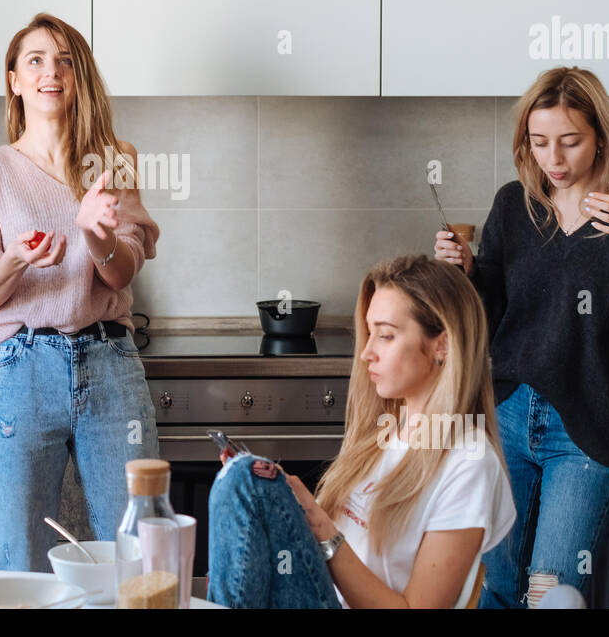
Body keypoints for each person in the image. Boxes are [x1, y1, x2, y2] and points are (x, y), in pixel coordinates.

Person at [433, 66, 609, 609]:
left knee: (550, 593)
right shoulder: (515, 204)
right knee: (499, 588)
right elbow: (489, 318)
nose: (553, 160)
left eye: (570, 142)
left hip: (590, 428)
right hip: (507, 414)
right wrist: (464, 273)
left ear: (600, 136)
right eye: (539, 143)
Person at [0, 12, 161, 572]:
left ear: (81, 75)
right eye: (36, 60)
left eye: (66, 60)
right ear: (15, 80)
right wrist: (17, 260)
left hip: (110, 363)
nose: (53, 72)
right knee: (22, 560)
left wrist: (96, 237)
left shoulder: (113, 160)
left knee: (137, 553)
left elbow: (123, 272)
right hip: (22, 372)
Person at [207, 255, 515, 608]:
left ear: (441, 345)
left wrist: (323, 528)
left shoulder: (469, 463)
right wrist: (284, 500)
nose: (367, 352)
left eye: (385, 335)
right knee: (248, 480)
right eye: (369, 334)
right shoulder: (383, 432)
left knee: (242, 481)